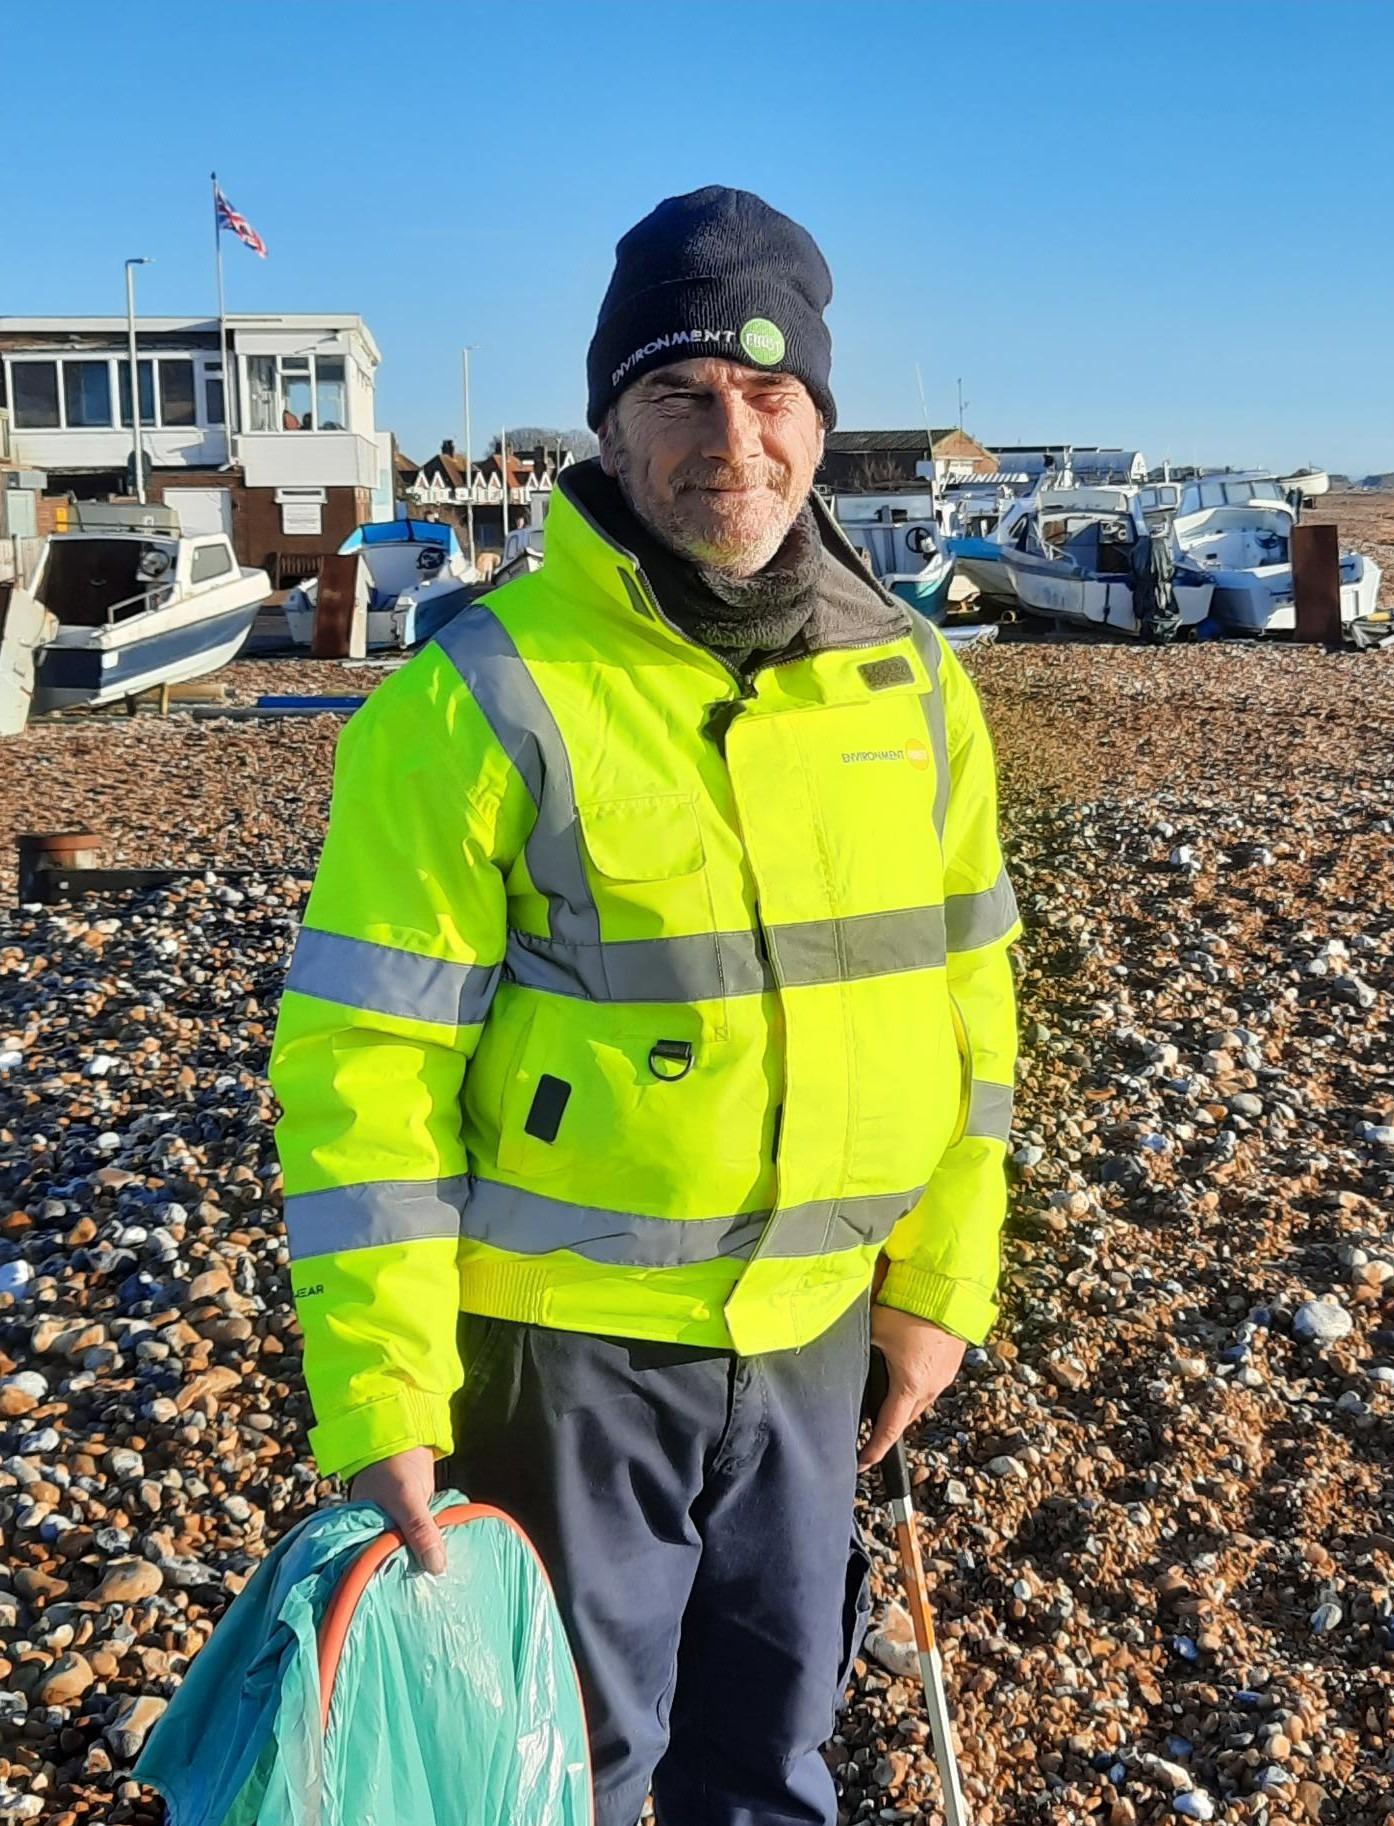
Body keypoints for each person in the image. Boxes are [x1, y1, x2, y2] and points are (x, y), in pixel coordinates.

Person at [269, 184, 1019, 1826]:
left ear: (821, 413)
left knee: (772, 1760)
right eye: (680, 391)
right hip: (558, 1360)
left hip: (820, 1338)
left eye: (770, 392)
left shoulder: (916, 683)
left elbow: (970, 1014)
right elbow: (364, 1068)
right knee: (568, 1774)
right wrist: (386, 1392)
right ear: (608, 420)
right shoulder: (476, 696)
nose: (730, 437)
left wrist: (939, 1285)